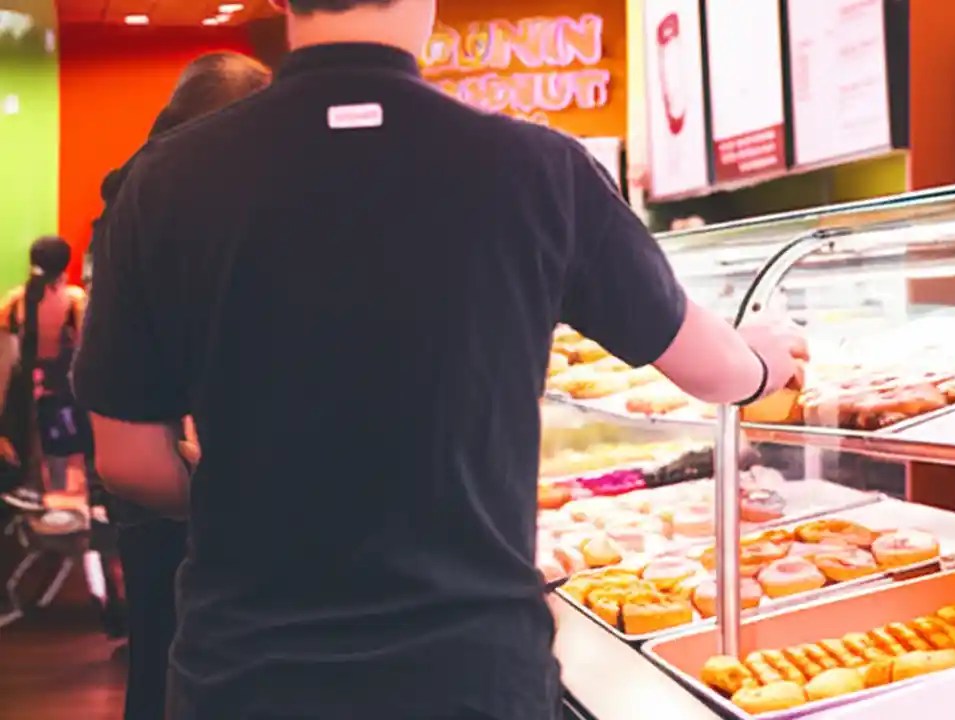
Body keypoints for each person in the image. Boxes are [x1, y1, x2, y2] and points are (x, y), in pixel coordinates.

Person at [74, 1, 801, 718]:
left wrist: (256, 508)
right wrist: (764, 361)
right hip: (468, 672)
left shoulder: (164, 182)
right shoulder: (538, 165)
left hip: (246, 675)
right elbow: (714, 371)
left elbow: (129, 460)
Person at [91, 51, 271, 720]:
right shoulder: (174, 202)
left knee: (164, 657)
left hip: (168, 489)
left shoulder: (135, 194)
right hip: (188, 490)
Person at [0, 236, 89, 498]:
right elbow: (85, 347)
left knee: (27, 454)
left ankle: (32, 498)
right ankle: (58, 506)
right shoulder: (73, 300)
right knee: (61, 457)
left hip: (23, 392)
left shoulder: (15, 301)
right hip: (60, 390)